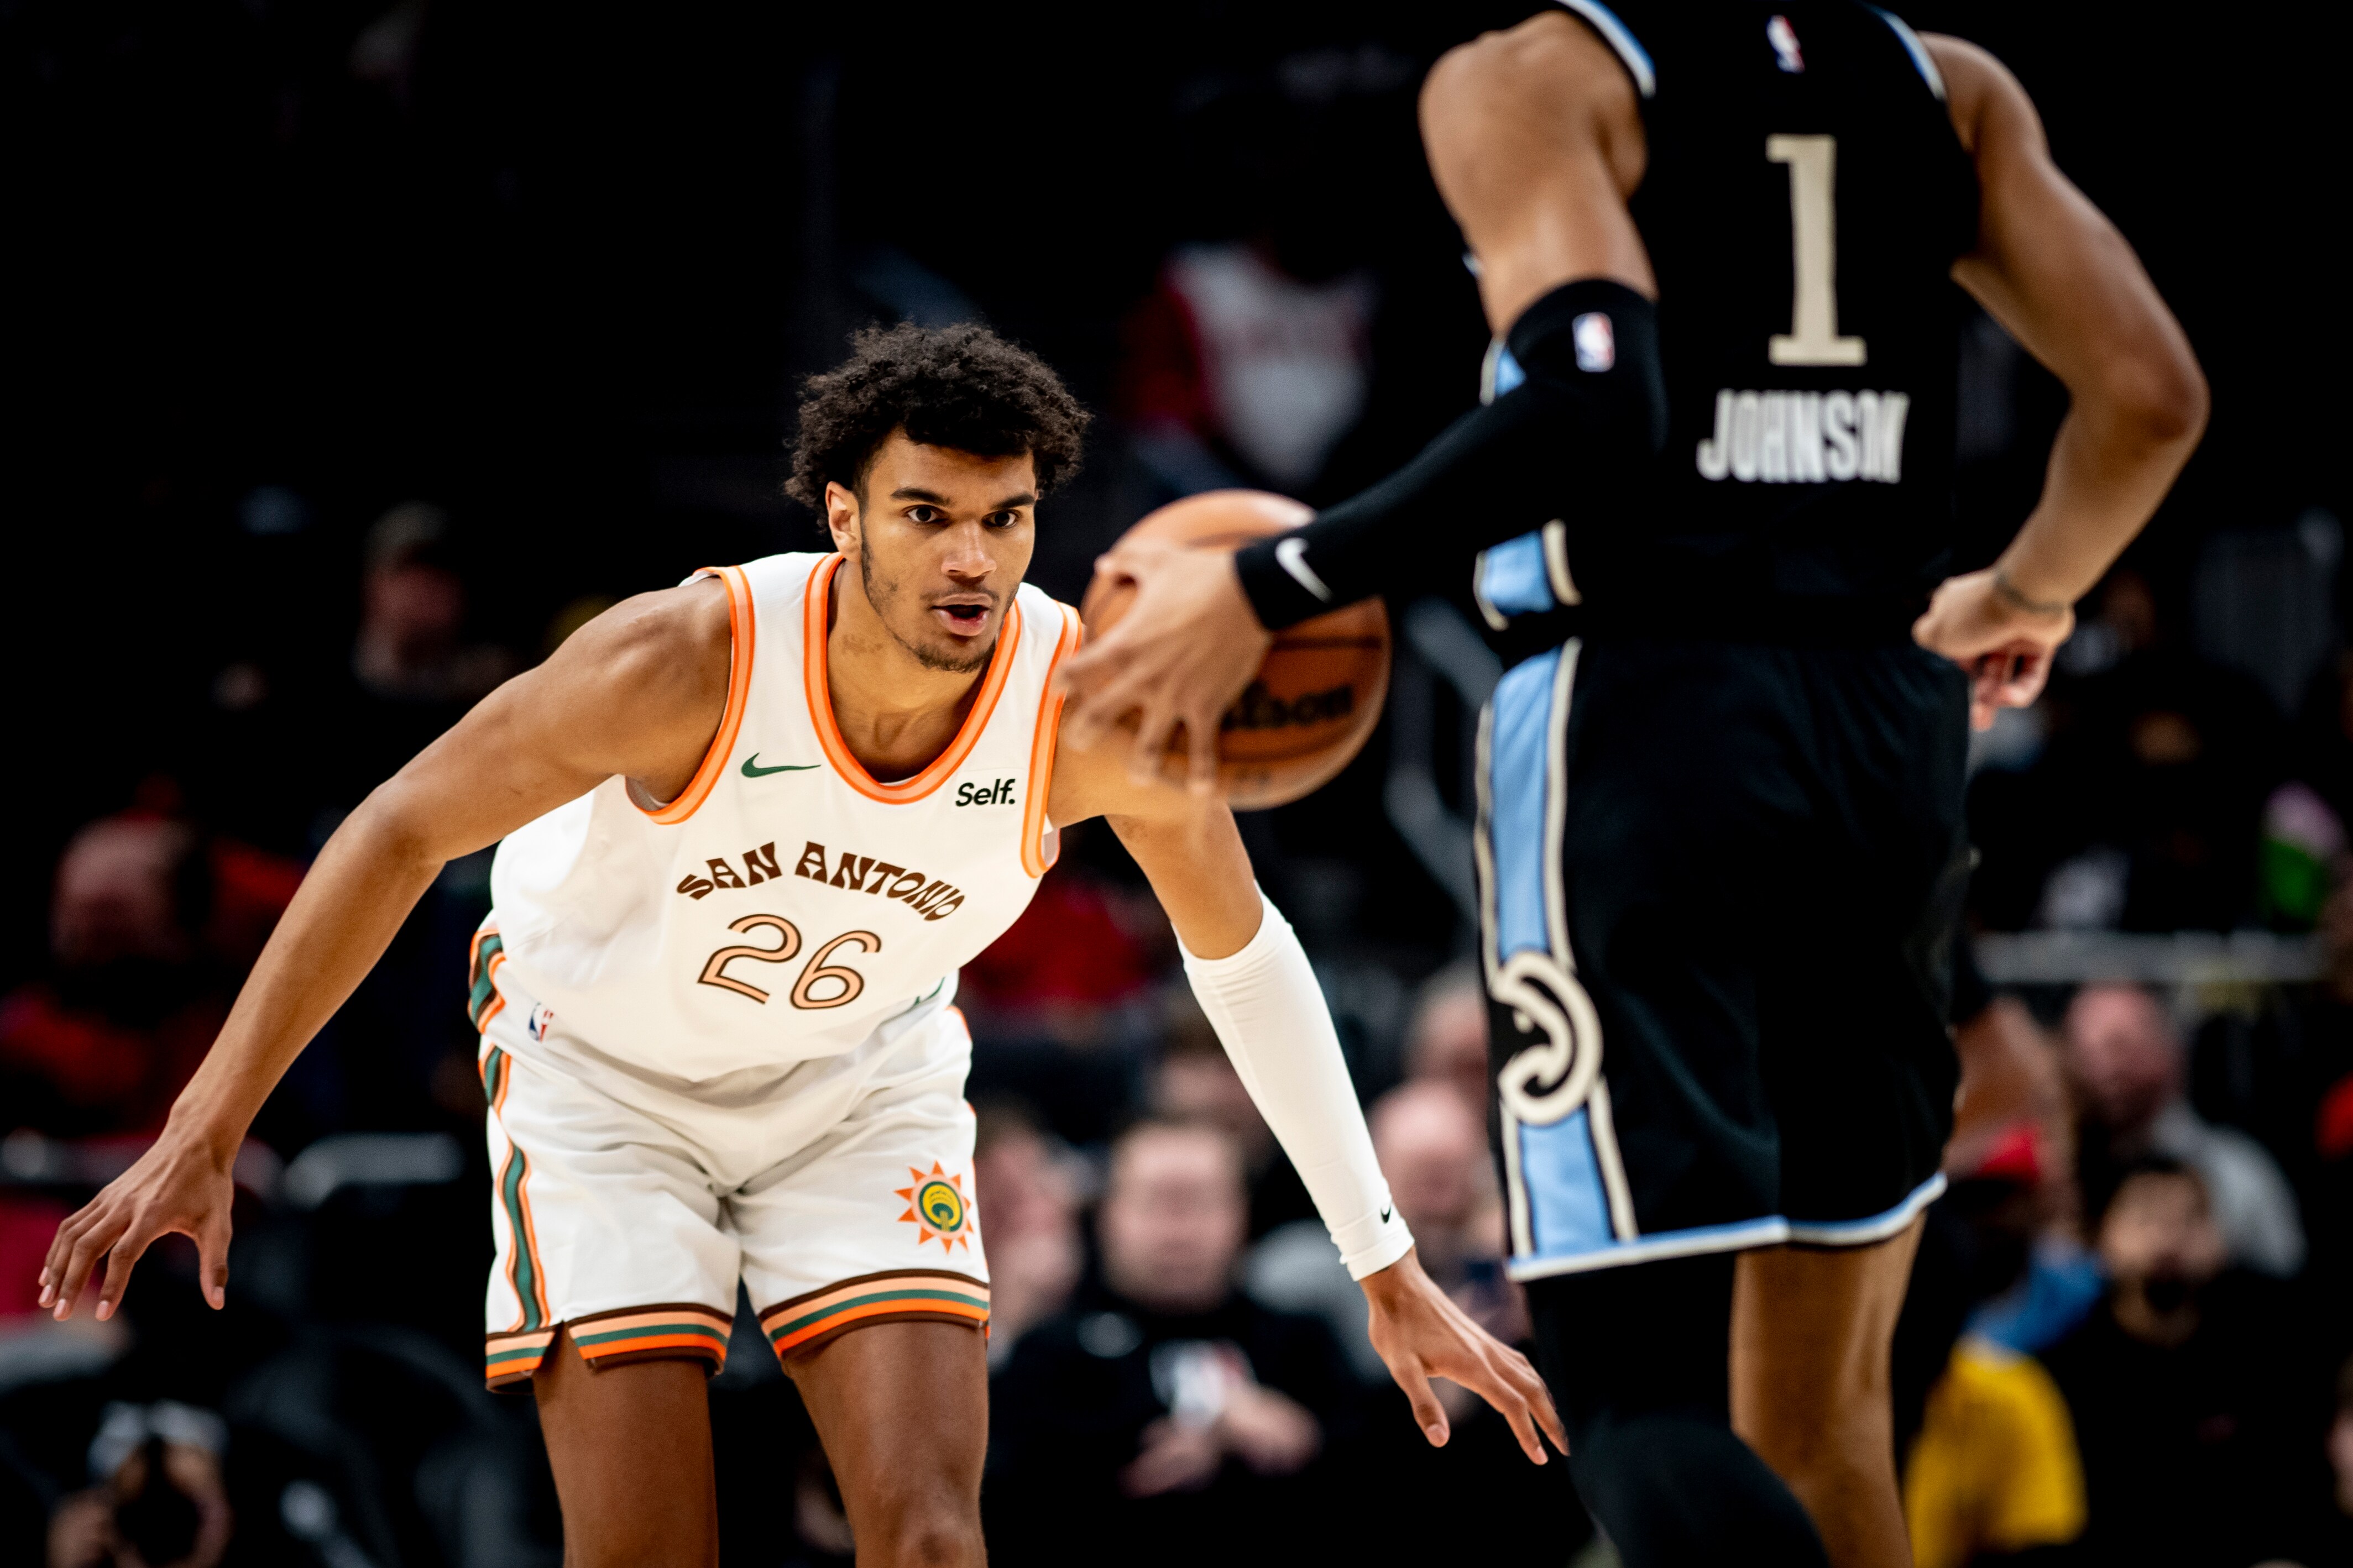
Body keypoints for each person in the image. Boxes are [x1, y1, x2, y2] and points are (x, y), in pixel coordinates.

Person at [36, 322, 1557, 1568]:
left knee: (933, 1536)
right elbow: (396, 828)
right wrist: (205, 1127)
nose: (973, 560)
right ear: (842, 515)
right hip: (603, 1089)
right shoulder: (682, 658)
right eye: (928, 514)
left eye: (1006, 519)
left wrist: (1383, 1259)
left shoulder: (1086, 707)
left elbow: (1244, 952)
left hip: (858, 1087)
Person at [1057, 6, 2206, 1567]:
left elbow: (1599, 400)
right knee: (1823, 1428)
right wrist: (2030, 588)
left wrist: (1280, 580)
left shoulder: (1543, 74)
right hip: (1888, 719)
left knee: (1628, 1400)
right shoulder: (1948, 87)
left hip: (1647, 713)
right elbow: (2150, 395)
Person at [986, 1120, 1359, 1566]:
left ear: (1243, 1211)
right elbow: (1016, 1492)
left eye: (1201, 1203)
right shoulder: (1047, 1353)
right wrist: (1208, 1431)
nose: (1178, 1231)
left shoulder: (1304, 1344)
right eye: (1155, 1203)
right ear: (1107, 1213)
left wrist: (1303, 1437)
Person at [2041, 1159, 2333, 1567]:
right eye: (2146, 1219)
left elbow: (2298, 1490)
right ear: (2100, 1237)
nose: (2168, 1239)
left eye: (2190, 1220)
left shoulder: (2269, 1352)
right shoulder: (2065, 1371)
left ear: (2221, 1239)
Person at [2063, 983, 2305, 1277]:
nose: (2105, 1069)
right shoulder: (2062, 1175)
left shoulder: (2235, 1174)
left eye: (2120, 1048)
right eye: (2086, 1053)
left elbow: (2284, 1273)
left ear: (2171, 1053)